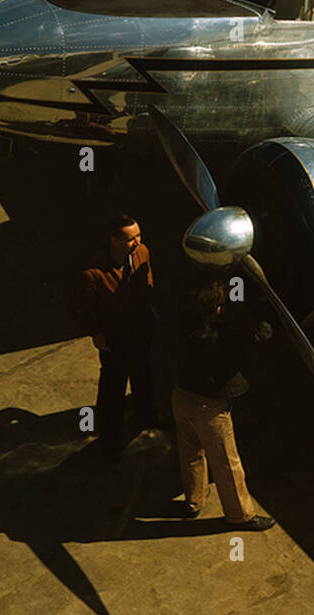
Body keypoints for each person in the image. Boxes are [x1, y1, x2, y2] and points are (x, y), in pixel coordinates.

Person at [160, 275, 275, 532]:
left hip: (181, 397)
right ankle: (240, 515)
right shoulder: (226, 334)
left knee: (190, 452)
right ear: (219, 309)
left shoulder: (187, 324)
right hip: (208, 408)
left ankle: (193, 502)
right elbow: (262, 332)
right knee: (226, 461)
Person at [74, 211, 158, 460]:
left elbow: (149, 281)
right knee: (113, 385)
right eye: (132, 238)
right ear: (114, 241)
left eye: (139, 236)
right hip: (116, 339)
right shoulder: (94, 273)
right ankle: (110, 436)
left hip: (141, 330)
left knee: (143, 374)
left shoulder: (142, 253)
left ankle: (147, 415)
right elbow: (82, 308)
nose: (138, 242)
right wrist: (96, 332)